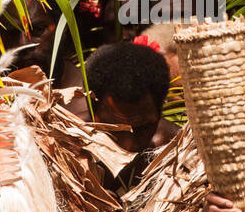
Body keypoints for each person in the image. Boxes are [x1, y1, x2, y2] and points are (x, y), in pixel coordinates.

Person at [69, 40, 179, 189]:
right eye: (114, 130)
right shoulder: (65, 145)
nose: (129, 145)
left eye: (142, 129)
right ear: (92, 112)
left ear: (159, 112)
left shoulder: (176, 149)